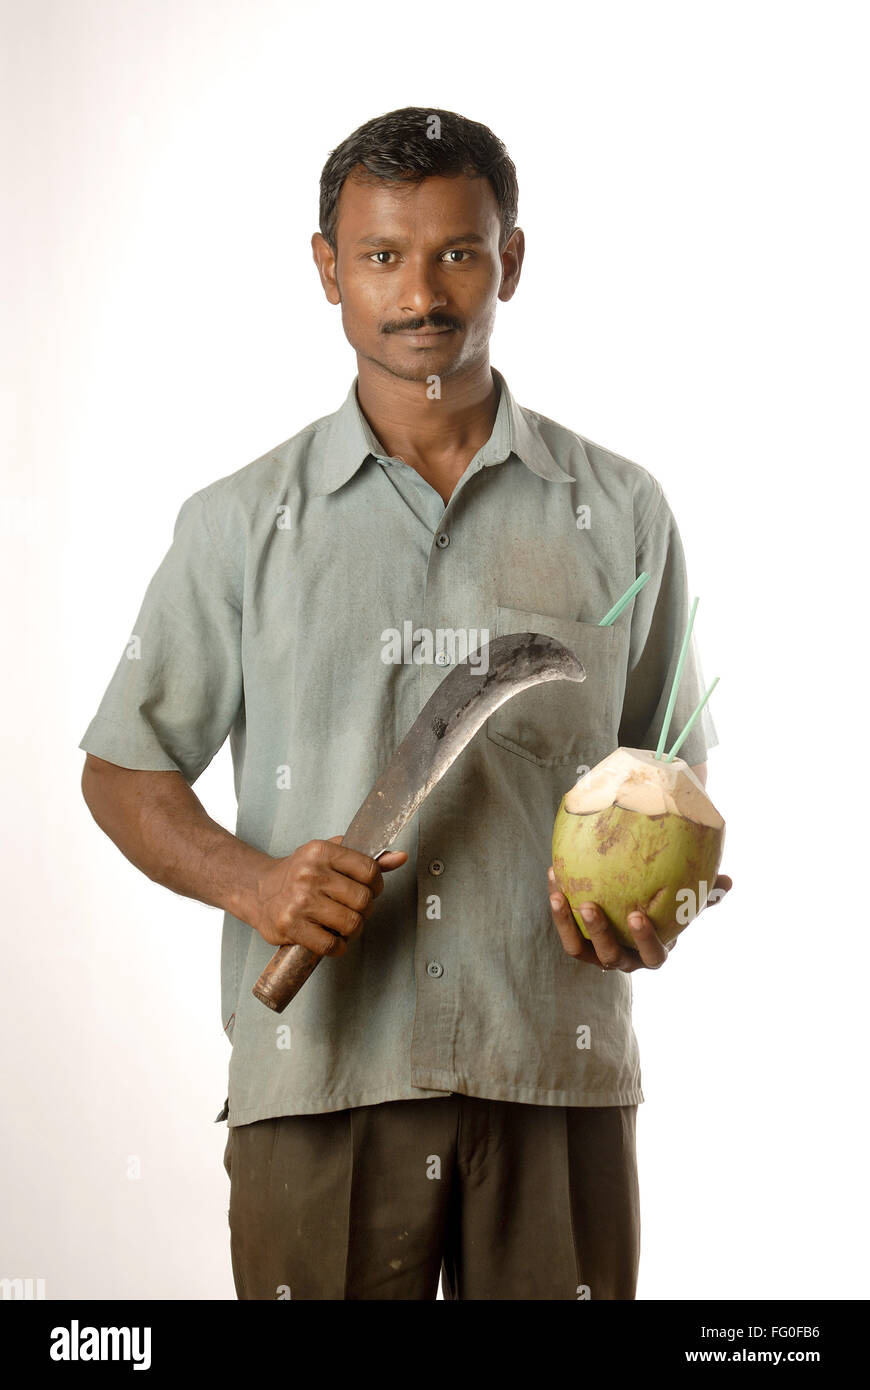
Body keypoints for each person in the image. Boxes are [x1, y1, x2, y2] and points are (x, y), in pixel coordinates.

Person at [79, 105, 731, 1301]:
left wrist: (664, 901)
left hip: (552, 1072)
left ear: (512, 261)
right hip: (322, 1076)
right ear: (327, 268)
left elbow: (673, 774)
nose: (421, 291)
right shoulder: (236, 524)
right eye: (381, 255)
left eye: (458, 252)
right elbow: (123, 768)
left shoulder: (624, 513)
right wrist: (255, 882)